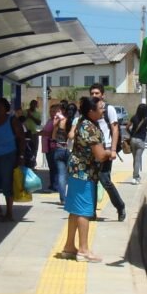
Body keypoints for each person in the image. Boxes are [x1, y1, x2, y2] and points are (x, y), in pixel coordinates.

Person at [57, 97, 116, 263]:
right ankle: (83, 250)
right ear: (91, 111)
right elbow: (99, 154)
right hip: (84, 173)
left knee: (75, 210)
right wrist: (110, 153)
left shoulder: (83, 121)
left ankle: (69, 247)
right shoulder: (89, 127)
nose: (103, 110)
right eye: (101, 108)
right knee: (84, 211)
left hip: (77, 172)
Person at [89, 83, 126, 222]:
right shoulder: (89, 110)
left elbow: (115, 129)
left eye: (97, 93)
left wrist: (113, 150)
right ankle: (91, 212)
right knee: (91, 181)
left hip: (106, 149)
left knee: (105, 180)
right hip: (92, 150)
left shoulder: (109, 109)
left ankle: (120, 206)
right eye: (92, 93)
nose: (94, 95)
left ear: (103, 95)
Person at [40, 102, 64, 193]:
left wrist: (41, 133)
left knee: (55, 167)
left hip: (53, 146)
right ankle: (52, 184)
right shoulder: (50, 120)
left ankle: (56, 186)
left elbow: (51, 133)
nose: (52, 112)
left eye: (54, 111)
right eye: (51, 111)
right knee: (51, 167)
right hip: (47, 146)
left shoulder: (58, 121)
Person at [126, 104, 147, 185]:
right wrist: (146, 129)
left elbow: (127, 127)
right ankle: (135, 177)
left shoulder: (134, 117)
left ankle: (137, 176)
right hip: (140, 141)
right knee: (137, 159)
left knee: (135, 159)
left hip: (133, 140)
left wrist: (131, 134)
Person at [23, 99, 41, 168]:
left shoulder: (37, 113)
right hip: (26, 133)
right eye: (32, 104)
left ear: (36, 106)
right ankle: (26, 163)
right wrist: (28, 115)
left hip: (34, 133)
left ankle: (32, 163)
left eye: (35, 105)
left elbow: (39, 123)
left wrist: (31, 117)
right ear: (30, 105)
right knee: (26, 148)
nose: (33, 106)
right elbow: (22, 120)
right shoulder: (25, 112)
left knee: (34, 149)